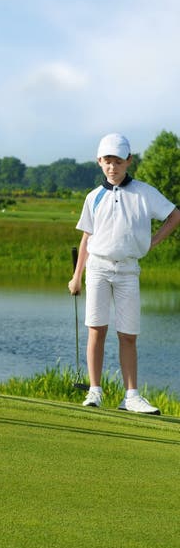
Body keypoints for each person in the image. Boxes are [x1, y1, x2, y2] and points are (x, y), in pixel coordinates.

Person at [68, 132, 180, 413]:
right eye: (107, 161)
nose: (112, 167)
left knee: (128, 334)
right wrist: (76, 276)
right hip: (98, 268)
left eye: (118, 161)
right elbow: (86, 238)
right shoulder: (93, 197)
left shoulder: (144, 193)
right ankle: (95, 391)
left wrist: (152, 242)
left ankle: (131, 396)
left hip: (128, 270)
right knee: (97, 329)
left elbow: (175, 215)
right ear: (99, 162)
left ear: (128, 161)